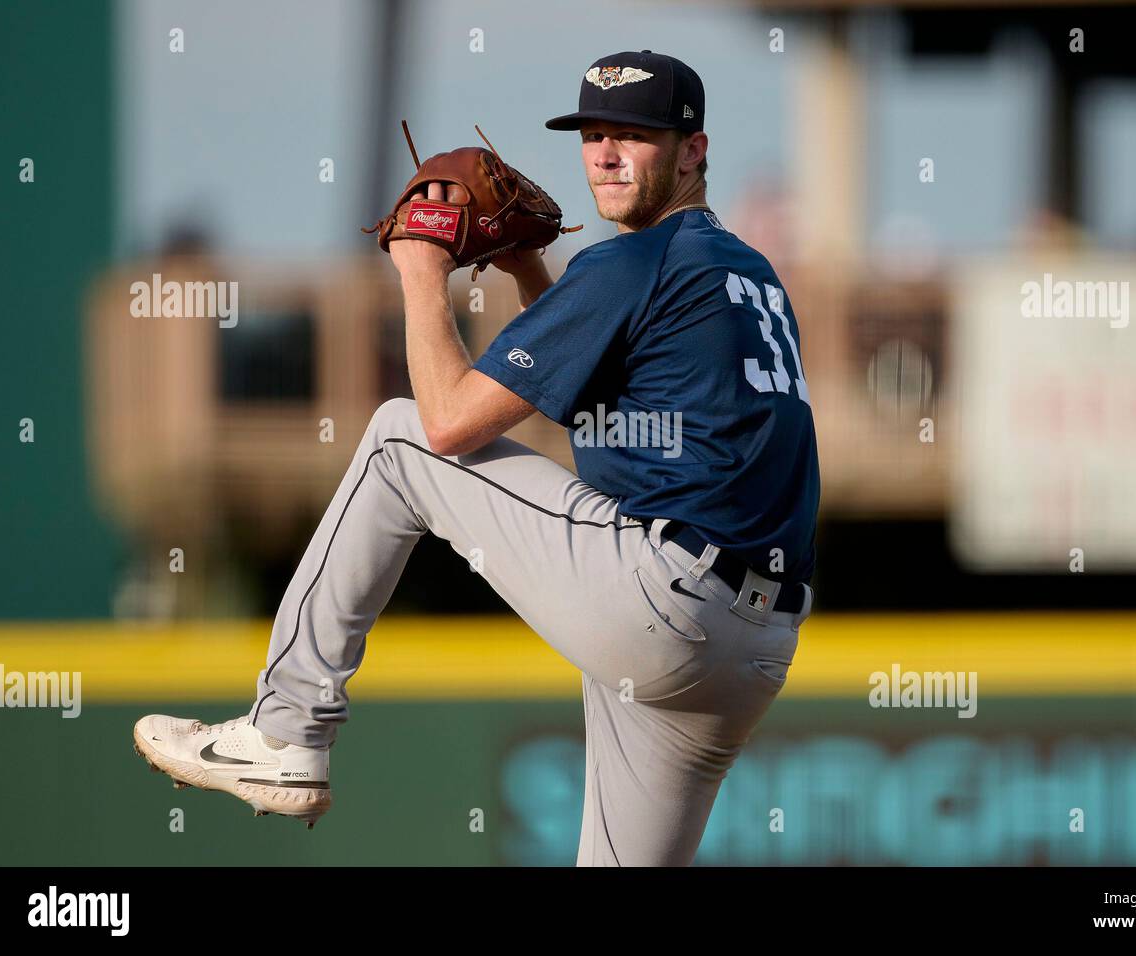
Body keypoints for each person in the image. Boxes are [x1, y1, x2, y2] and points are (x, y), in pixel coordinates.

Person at [133, 49, 820, 866]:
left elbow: (449, 424)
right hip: (754, 646)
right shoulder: (746, 272)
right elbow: (608, 406)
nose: (604, 154)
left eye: (632, 135)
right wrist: (532, 269)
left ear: (694, 149)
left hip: (663, 600)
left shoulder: (631, 262)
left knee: (396, 438)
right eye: (592, 133)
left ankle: (285, 731)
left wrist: (419, 267)